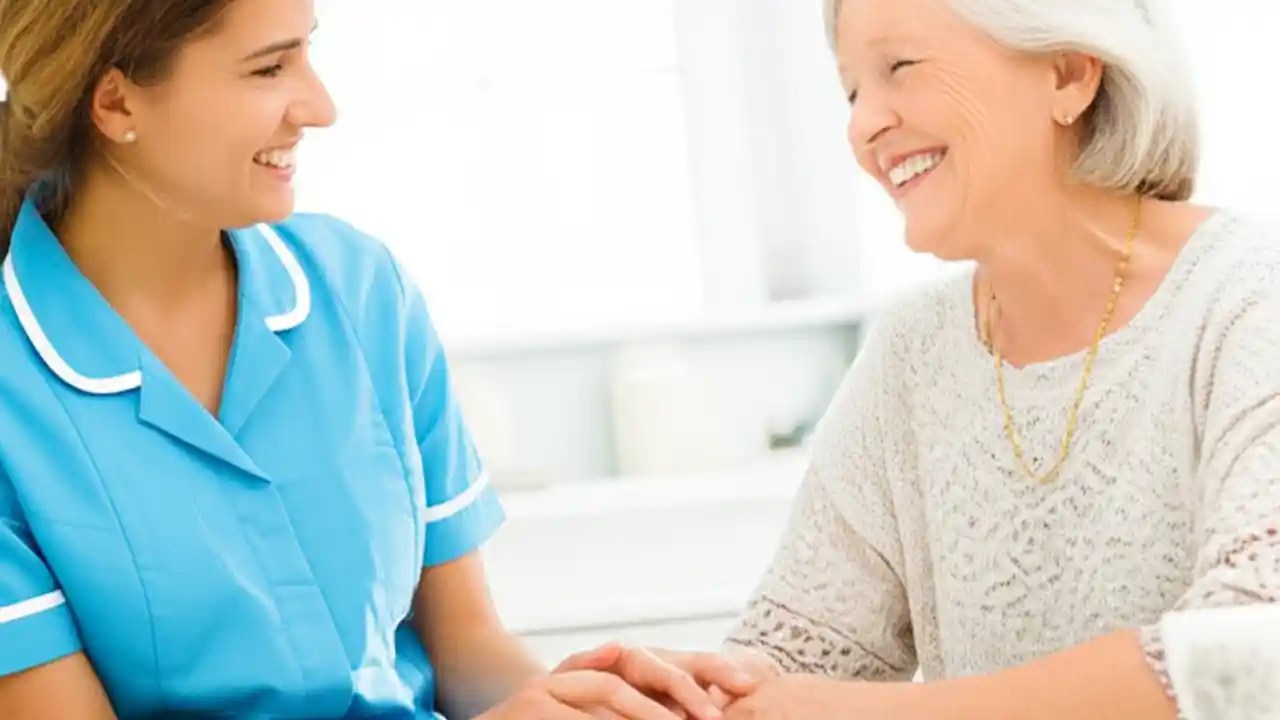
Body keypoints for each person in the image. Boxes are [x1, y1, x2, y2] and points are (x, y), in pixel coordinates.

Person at [0, 1, 761, 718]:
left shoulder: (362, 290)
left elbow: (466, 650)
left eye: (308, 52)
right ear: (116, 103)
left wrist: (583, 700)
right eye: (270, 68)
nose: (319, 106)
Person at [583, 0, 1280, 718]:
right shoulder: (913, 353)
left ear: (1069, 75)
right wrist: (658, 697)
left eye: (900, 68)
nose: (862, 123)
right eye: (852, 90)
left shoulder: (1249, 298)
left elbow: (1252, 653)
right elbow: (799, 656)